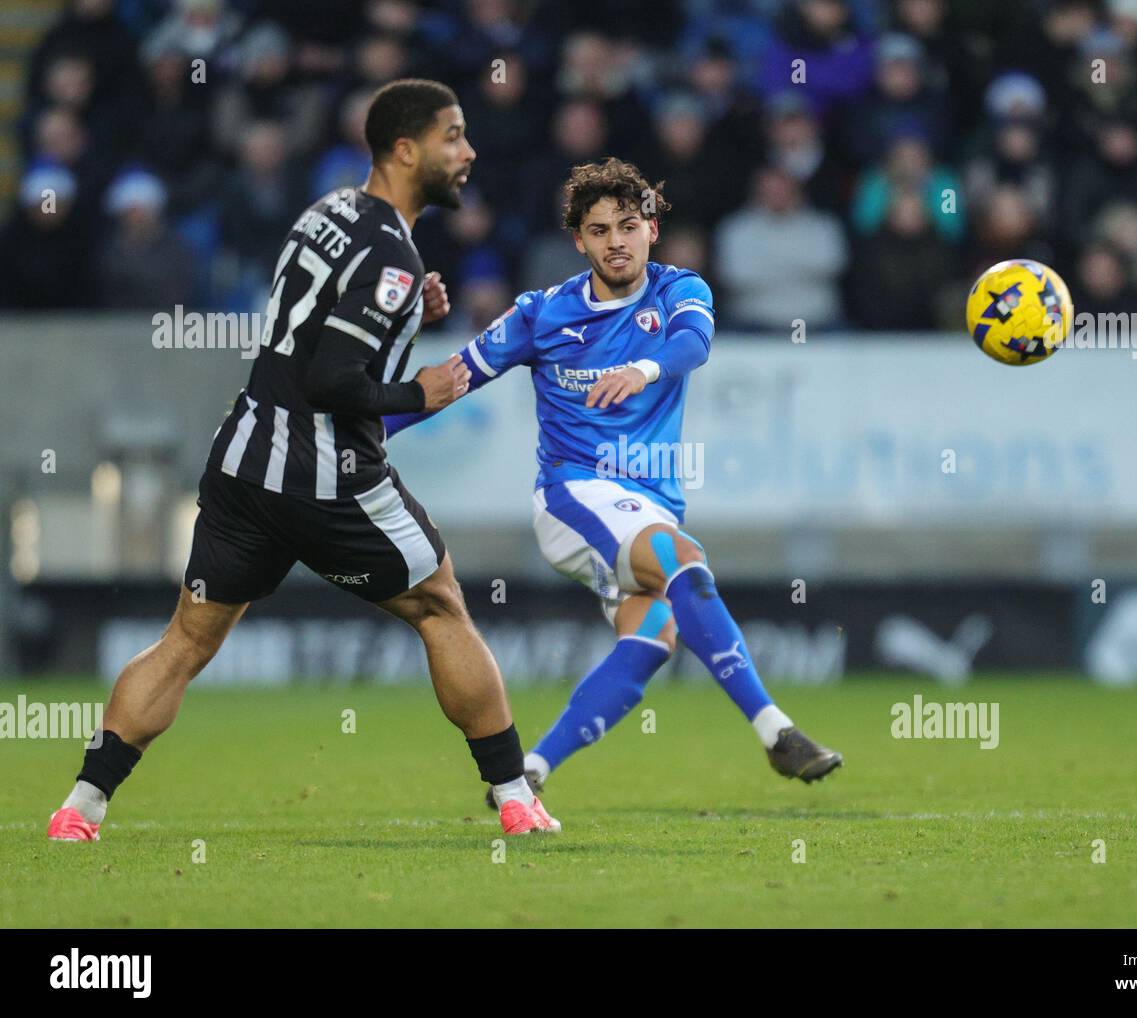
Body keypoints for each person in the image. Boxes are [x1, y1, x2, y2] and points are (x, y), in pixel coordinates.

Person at [47, 79, 559, 842]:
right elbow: (331, 381)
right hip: (326, 475)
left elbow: (317, 325)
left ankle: (80, 808)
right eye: (454, 136)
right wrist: (419, 392)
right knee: (440, 605)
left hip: (244, 459)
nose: (469, 152)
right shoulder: (390, 252)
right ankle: (516, 797)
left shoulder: (330, 211)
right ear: (405, 148)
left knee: (186, 639)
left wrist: (402, 314)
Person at [385, 157, 843, 806]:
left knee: (652, 639)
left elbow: (694, 346)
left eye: (629, 225)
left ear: (652, 228)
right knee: (684, 561)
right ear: (580, 241)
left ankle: (531, 773)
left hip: (644, 504)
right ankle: (777, 731)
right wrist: (367, 436)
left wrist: (645, 371)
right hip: (572, 498)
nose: (617, 241)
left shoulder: (681, 290)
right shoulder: (541, 315)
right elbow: (455, 377)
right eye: (599, 231)